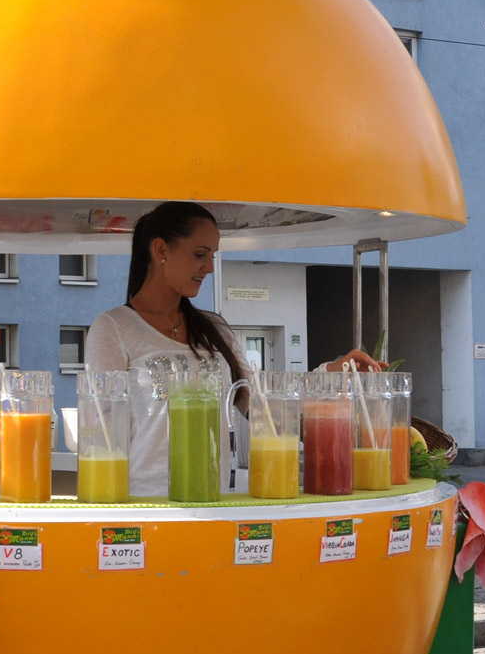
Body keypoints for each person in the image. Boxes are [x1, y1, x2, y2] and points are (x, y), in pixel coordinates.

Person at [85, 201, 384, 498]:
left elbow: (262, 404)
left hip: (214, 499)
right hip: (147, 505)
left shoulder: (215, 329)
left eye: (213, 256)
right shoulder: (113, 327)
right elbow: (102, 436)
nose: (210, 267)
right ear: (161, 250)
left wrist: (330, 373)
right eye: (200, 254)